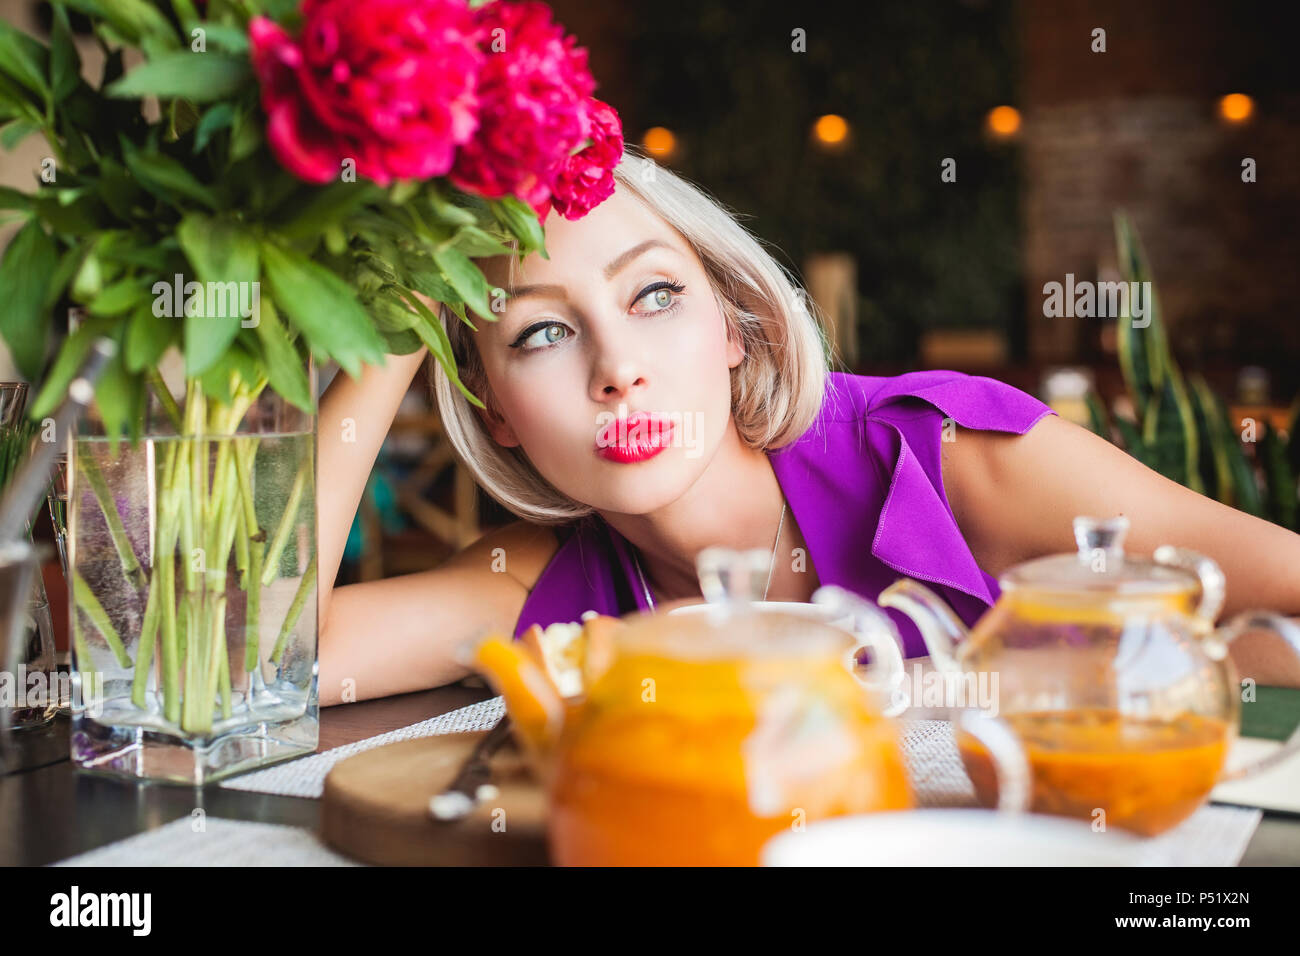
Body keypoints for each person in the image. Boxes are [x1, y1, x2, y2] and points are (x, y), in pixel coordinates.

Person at [316, 147, 1300, 707]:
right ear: (497, 411)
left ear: (737, 328)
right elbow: (252, 670)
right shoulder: (530, 585)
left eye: (654, 295)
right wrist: (380, 340)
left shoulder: (941, 456)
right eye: (541, 332)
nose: (618, 370)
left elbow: (1283, 602)